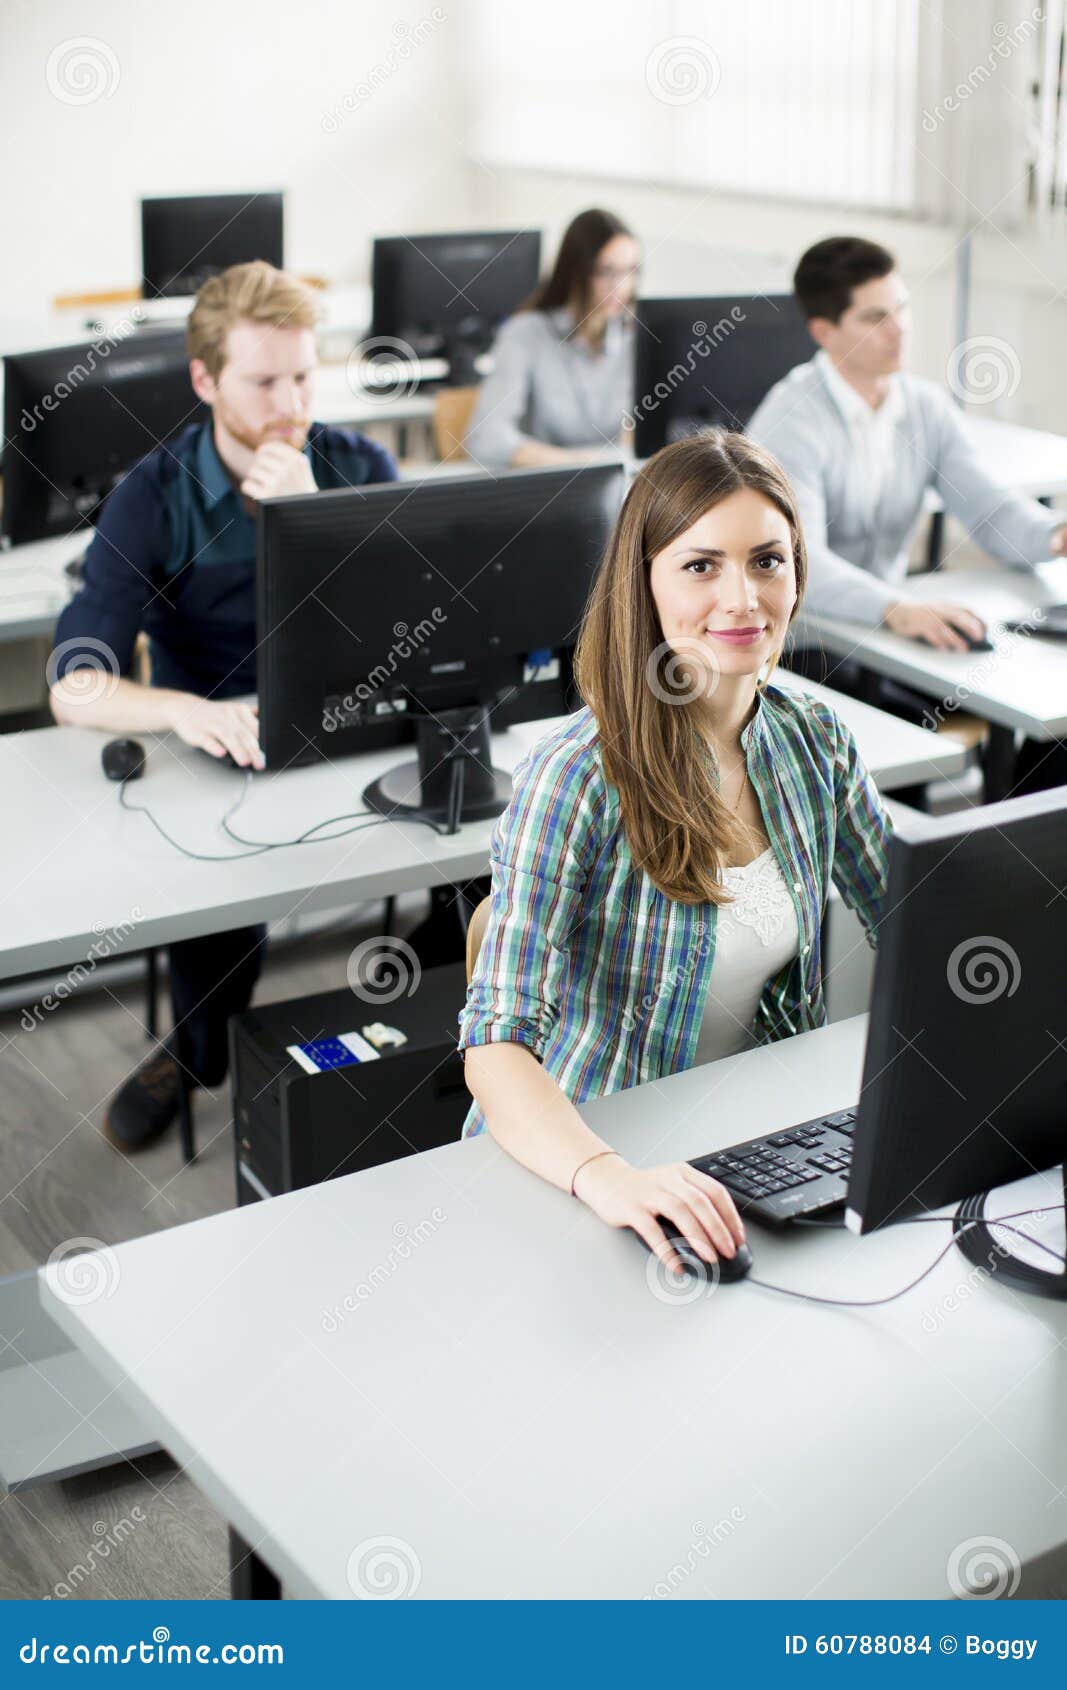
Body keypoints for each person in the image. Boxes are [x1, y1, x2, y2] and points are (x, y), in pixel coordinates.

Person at [458, 432, 890, 1273]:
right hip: (583, 1158)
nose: (743, 597)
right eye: (701, 566)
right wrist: (605, 1177)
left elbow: (916, 917)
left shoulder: (813, 741)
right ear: (644, 582)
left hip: (744, 1143)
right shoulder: (574, 777)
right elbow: (493, 1045)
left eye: (768, 560)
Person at [49, 261, 398, 1151]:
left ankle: (423, 1042)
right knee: (218, 897)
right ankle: (194, 1051)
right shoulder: (151, 496)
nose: (291, 401)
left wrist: (312, 522)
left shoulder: (355, 464)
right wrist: (176, 711)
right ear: (205, 380)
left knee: (478, 862)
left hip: (354, 726)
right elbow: (73, 683)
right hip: (220, 744)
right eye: (264, 380)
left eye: (304, 376)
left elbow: (410, 623)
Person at [747, 237, 1067, 795]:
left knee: (1049, 737)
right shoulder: (792, 417)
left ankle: (1017, 870)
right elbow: (799, 564)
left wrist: (1054, 534)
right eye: (876, 317)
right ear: (825, 332)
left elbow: (986, 509)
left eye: (902, 308)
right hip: (803, 645)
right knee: (914, 741)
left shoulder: (924, 407)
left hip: (887, 635)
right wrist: (897, 607)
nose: (900, 329)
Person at [464, 208, 639, 470]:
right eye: (606, 271)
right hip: (545, 490)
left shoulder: (634, 338)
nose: (621, 286)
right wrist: (581, 464)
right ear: (576, 272)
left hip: (619, 491)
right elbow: (485, 438)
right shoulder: (525, 334)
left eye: (630, 271)